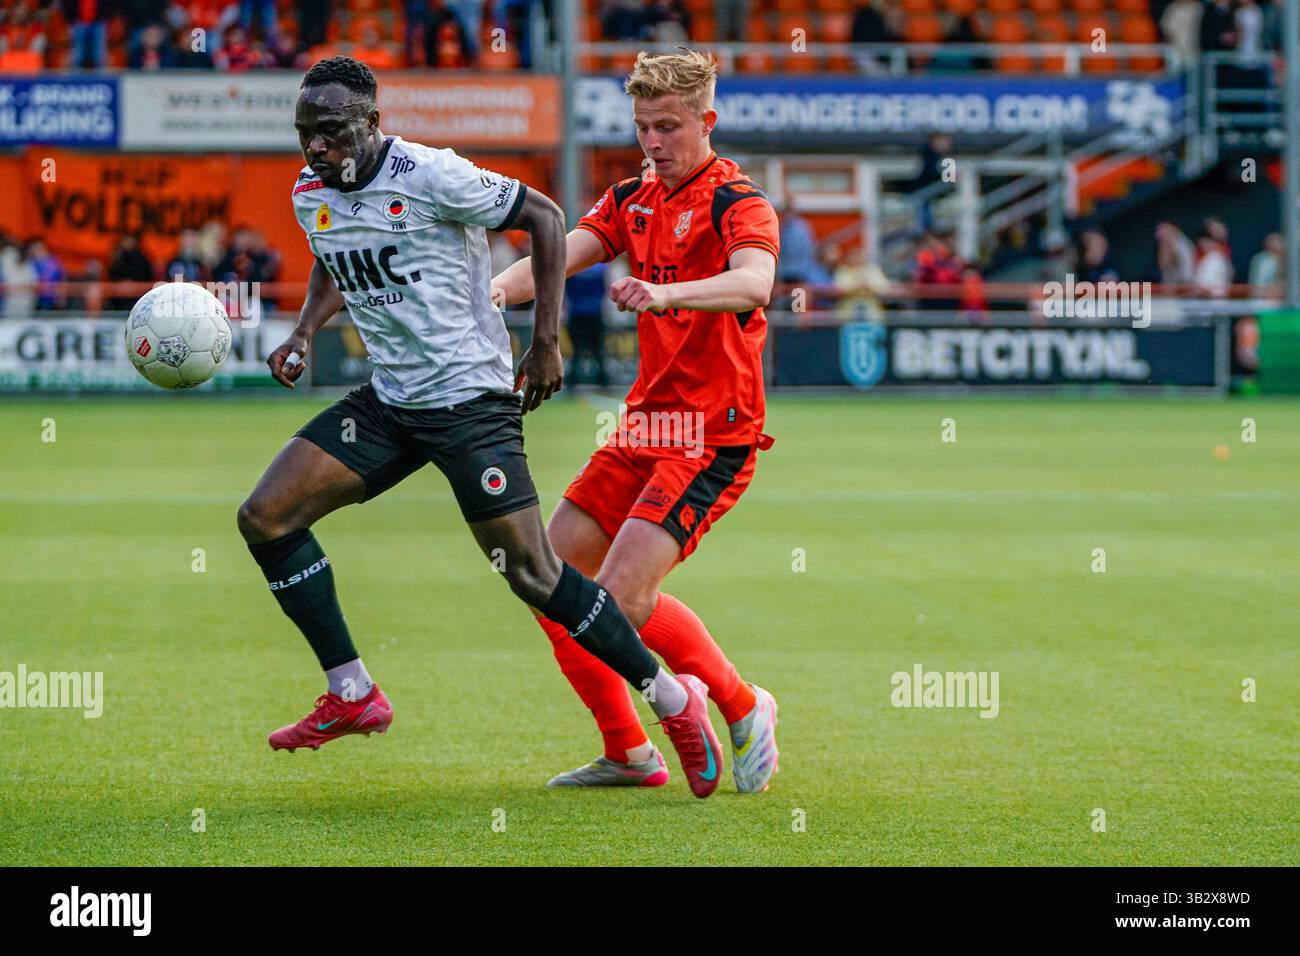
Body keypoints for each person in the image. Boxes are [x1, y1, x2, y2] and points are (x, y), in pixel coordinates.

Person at [241, 56, 719, 794]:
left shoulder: (433, 174)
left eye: (331, 131)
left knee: (533, 573)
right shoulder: (313, 189)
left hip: (469, 401)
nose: (316, 147)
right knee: (266, 517)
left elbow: (547, 219)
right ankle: (352, 692)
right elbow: (332, 255)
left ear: (372, 122)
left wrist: (545, 341)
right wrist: (305, 331)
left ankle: (672, 700)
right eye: (305, 133)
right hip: (392, 401)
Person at [492, 49, 781, 796]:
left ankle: (743, 704)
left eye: (668, 127)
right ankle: (629, 752)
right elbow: (555, 258)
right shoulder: (632, 198)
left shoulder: (738, 203)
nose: (653, 143)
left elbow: (755, 281)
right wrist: (490, 295)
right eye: (643, 127)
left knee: (617, 602)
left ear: (706, 121)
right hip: (646, 428)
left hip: (714, 433)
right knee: (544, 577)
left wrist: (666, 293)